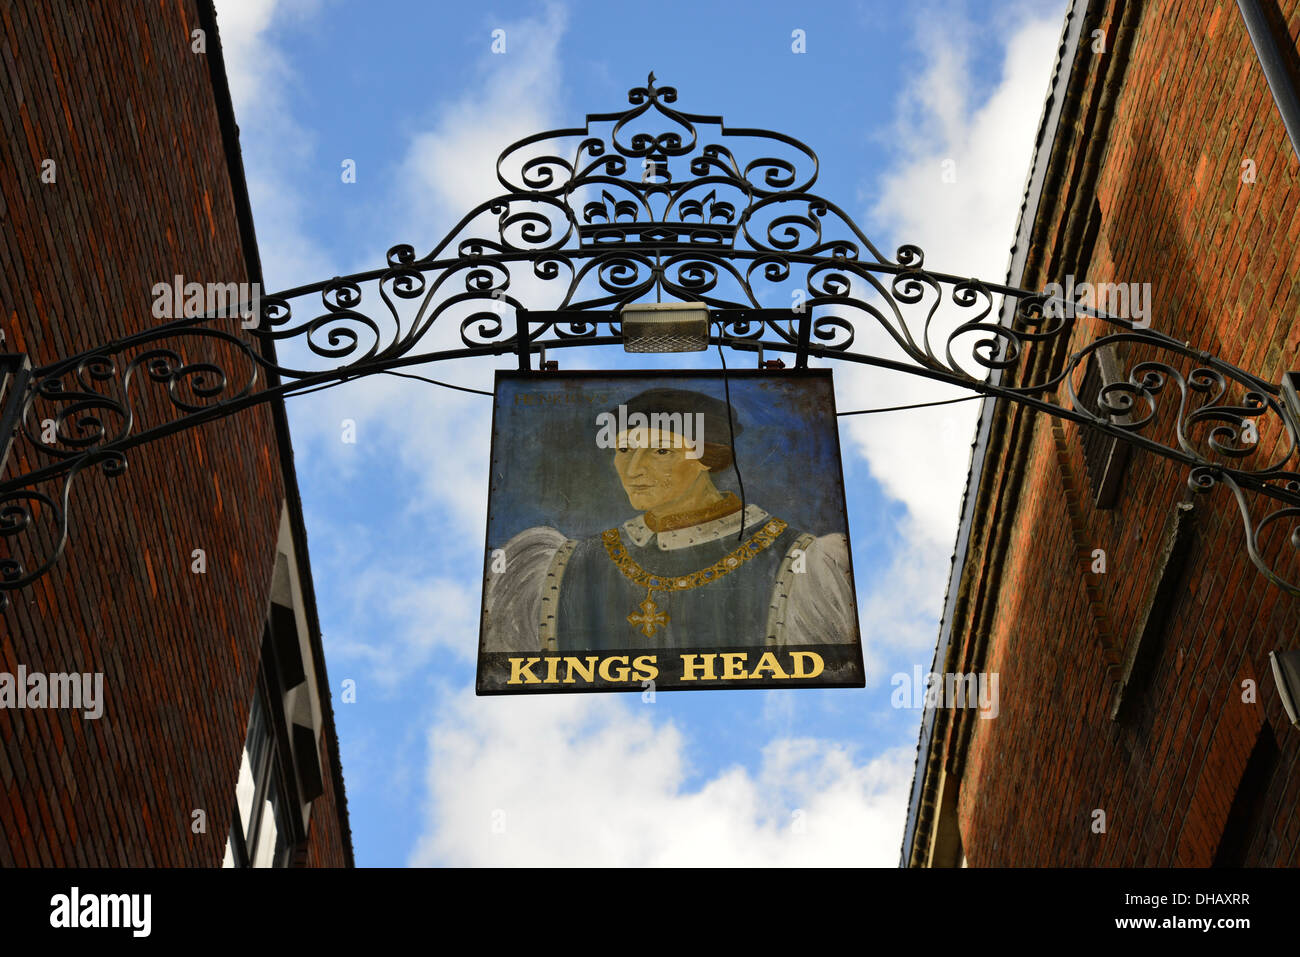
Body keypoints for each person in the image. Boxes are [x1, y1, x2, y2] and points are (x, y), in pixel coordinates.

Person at [482, 387, 856, 652]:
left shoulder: (804, 564)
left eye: (660, 450)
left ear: (707, 457)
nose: (633, 469)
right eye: (624, 450)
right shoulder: (561, 567)